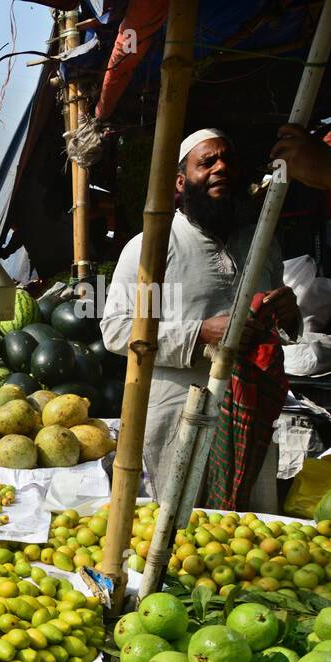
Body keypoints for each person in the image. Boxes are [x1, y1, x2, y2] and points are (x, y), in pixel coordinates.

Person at [101, 129, 300, 508]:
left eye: (227, 160)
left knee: (250, 535)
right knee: (185, 535)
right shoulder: (152, 246)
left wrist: (291, 317)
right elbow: (116, 329)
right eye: (206, 162)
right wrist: (200, 334)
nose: (220, 168)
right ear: (181, 181)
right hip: (180, 412)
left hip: (251, 410)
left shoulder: (261, 242)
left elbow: (280, 325)